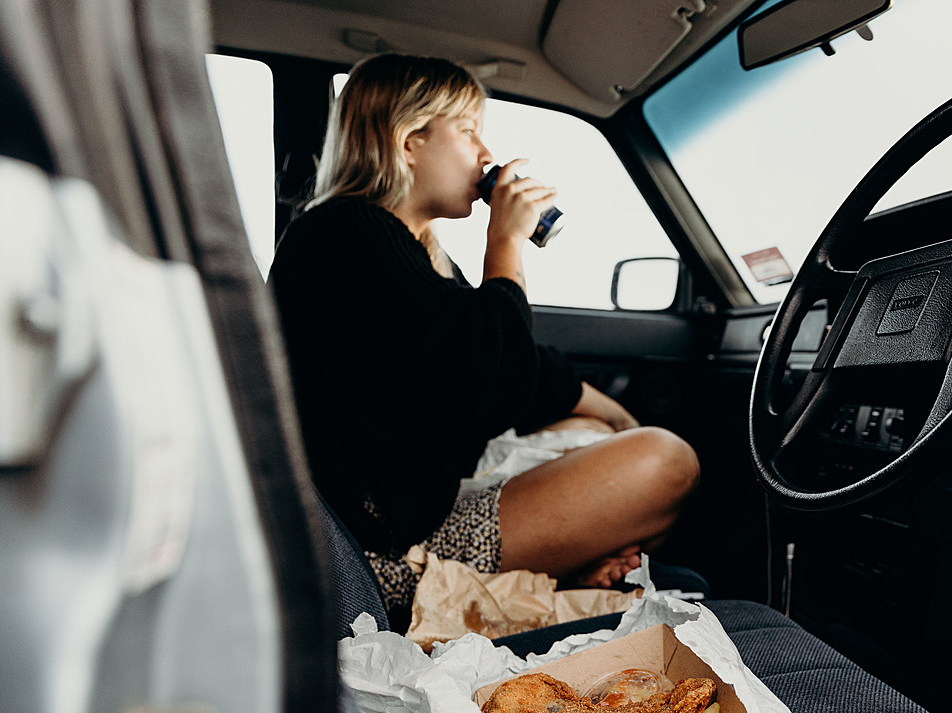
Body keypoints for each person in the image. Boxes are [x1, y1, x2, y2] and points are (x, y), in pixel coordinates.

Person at [268, 53, 700, 627]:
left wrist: (613, 414)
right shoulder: (344, 234)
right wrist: (506, 244)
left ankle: (573, 566)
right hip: (385, 548)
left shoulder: (411, 249)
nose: (486, 154)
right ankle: (571, 572)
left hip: (414, 500)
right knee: (668, 461)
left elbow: (522, 370)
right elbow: (490, 381)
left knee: (591, 431)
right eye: (468, 131)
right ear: (408, 140)